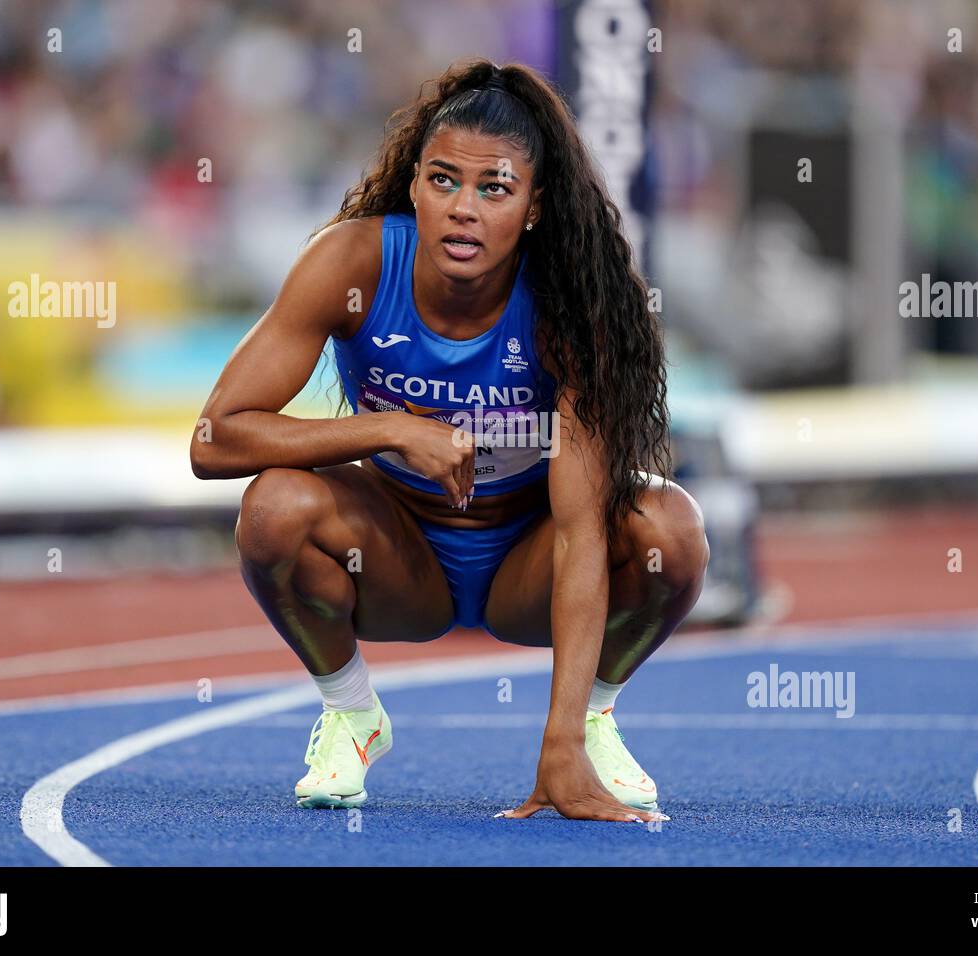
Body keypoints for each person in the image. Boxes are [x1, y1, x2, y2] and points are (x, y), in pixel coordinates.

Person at [191, 58, 709, 823]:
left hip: (525, 565)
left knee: (672, 529)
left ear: (533, 208)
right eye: (444, 181)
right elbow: (213, 439)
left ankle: (595, 724)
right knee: (272, 508)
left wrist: (558, 742)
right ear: (414, 188)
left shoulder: (569, 302)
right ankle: (352, 714)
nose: (464, 209)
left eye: (495, 189)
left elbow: (579, 531)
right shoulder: (352, 263)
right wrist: (394, 428)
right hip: (401, 557)